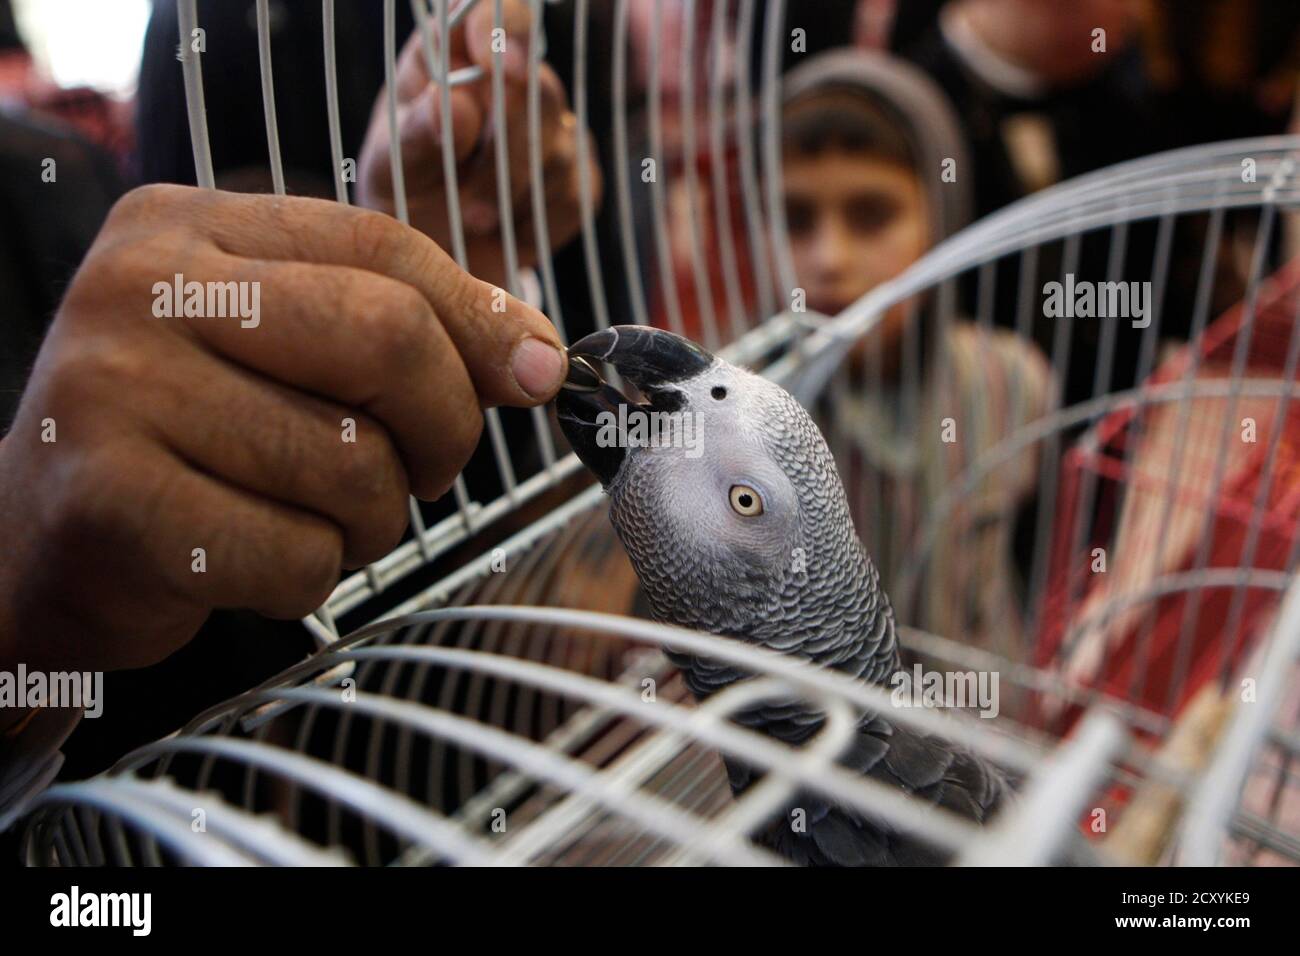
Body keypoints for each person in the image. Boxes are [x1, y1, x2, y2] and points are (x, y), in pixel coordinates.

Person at [0, 0, 586, 830]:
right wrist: (18, 592)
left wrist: (422, 292)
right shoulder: (158, 71)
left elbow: (264, 535)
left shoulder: (52, 181)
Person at [779, 50, 1053, 653]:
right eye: (795, 219)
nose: (830, 259)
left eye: (872, 216)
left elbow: (1041, 568)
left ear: (941, 220)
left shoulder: (1011, 380)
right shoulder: (735, 412)